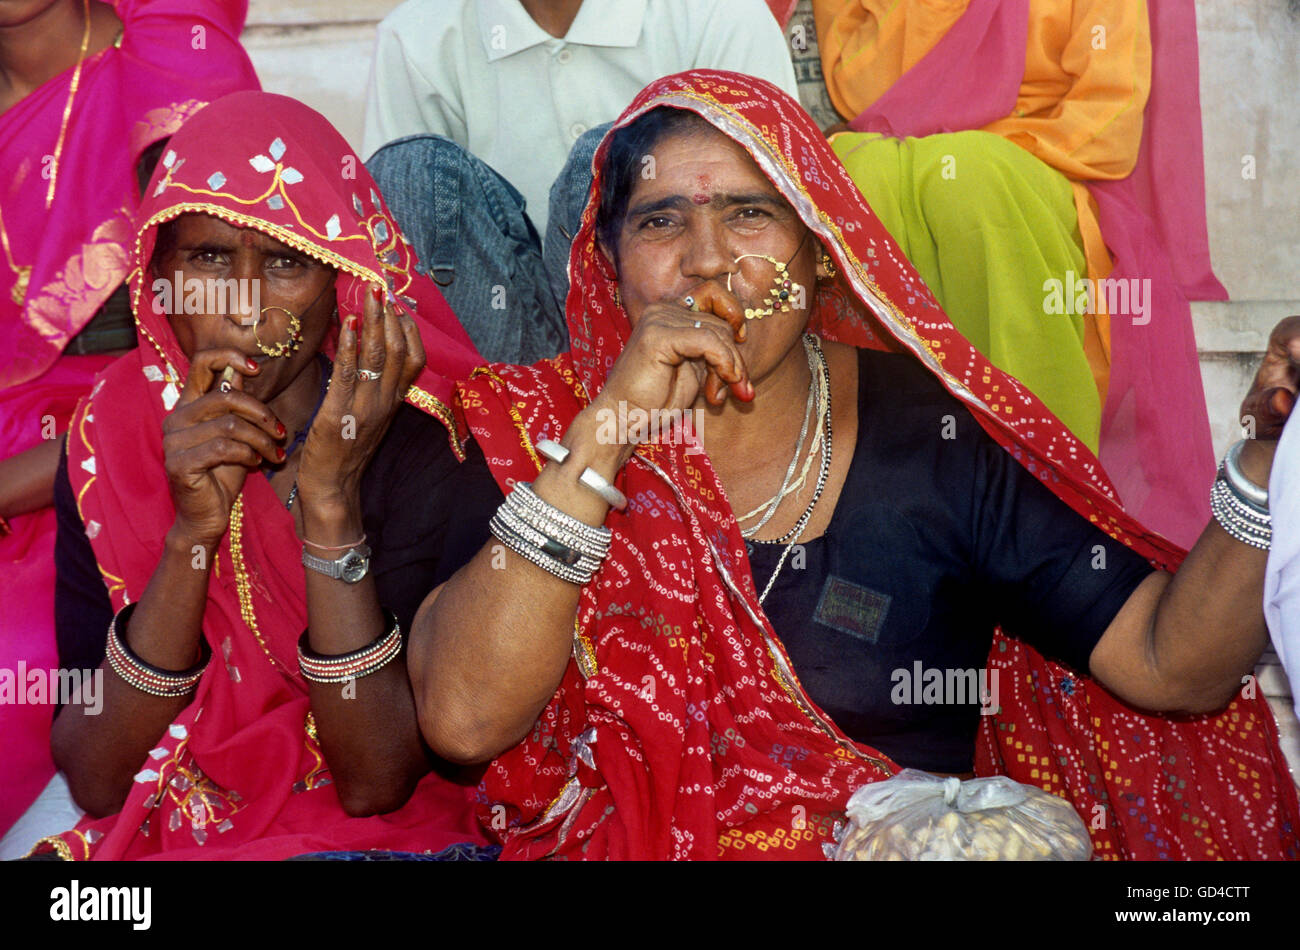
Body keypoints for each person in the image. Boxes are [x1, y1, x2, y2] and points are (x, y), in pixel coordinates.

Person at [408, 70, 1300, 861]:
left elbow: (1171, 666)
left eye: (750, 213)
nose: (710, 258)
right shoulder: (537, 430)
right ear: (609, 265)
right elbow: (463, 721)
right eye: (660, 221)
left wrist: (1266, 458)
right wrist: (609, 427)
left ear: (823, 254)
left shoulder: (933, 434)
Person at [28, 91, 501, 860]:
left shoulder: (423, 441)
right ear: (162, 277)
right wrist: (191, 536)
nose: (247, 306)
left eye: (285, 263)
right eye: (210, 260)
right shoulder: (108, 435)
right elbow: (94, 775)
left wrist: (329, 503)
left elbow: (376, 781)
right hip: (185, 831)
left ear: (343, 278)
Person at [813, 0, 1224, 551]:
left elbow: (1109, 122)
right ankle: (868, 514)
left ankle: (1049, 506)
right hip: (905, 155)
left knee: (972, 182)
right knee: (850, 177)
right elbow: (858, 90)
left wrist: (989, 150)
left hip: (1038, 165)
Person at [0, 0, 258, 838]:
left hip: (135, 450)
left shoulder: (171, 70)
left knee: (21, 666)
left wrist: (13, 486)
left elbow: (234, 347)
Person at [359, 0, 800, 365]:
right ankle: (508, 424)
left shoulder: (720, 15)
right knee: (409, 170)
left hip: (667, 322)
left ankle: (621, 406)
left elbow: (768, 211)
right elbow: (411, 233)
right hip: (501, 354)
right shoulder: (417, 34)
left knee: (603, 156)